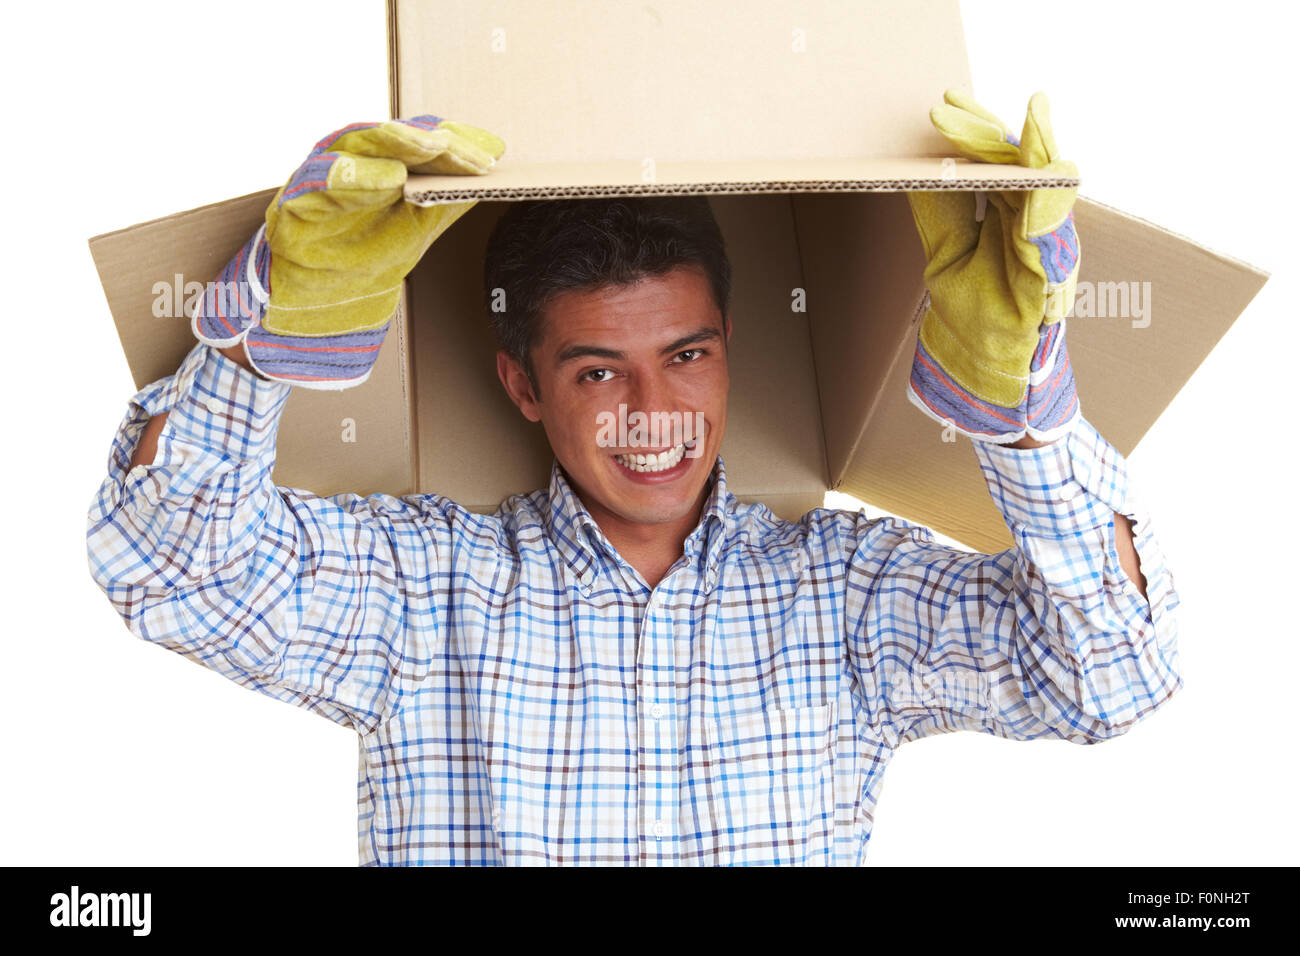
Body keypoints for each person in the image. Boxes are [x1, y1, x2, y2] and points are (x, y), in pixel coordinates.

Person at [86, 95, 1181, 866]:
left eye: (686, 355)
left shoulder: (845, 591)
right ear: (522, 382)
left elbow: (1110, 681)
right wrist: (265, 335)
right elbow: (171, 569)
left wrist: (1025, 416)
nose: (653, 410)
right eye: (599, 368)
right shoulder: (424, 590)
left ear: (730, 344)